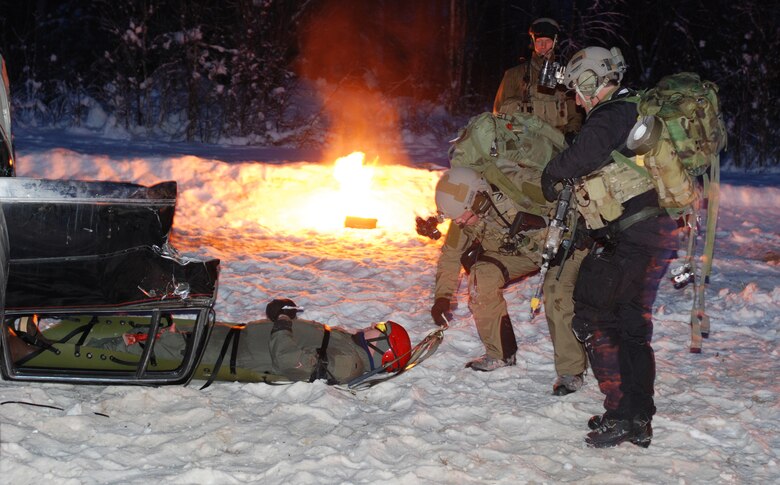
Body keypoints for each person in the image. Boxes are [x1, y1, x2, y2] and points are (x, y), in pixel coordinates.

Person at [540, 46, 676, 448]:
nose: (576, 100)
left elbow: (582, 156)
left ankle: (620, 413)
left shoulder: (612, 114)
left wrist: (552, 173)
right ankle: (637, 416)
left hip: (635, 237)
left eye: (578, 90)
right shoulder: (632, 110)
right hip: (651, 234)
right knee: (631, 325)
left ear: (591, 81)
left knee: (592, 314)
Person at [5, 299, 413, 387]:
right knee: (148, 324)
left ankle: (32, 352)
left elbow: (296, 365)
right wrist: (280, 317)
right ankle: (53, 332)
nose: (371, 331)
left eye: (379, 334)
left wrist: (282, 324)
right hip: (230, 339)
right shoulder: (347, 345)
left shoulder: (351, 364)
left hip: (224, 355)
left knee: (145, 347)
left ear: (383, 354)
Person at [430, 166, 551, 371]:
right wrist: (442, 297)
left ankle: (571, 371)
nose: (459, 222)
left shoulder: (519, 188)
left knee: (562, 299)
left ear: (478, 200)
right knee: (480, 279)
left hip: (556, 249)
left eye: (462, 216)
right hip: (516, 257)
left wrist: (543, 223)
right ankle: (501, 354)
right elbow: (451, 255)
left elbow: (568, 209)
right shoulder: (464, 214)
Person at [493, 17, 582, 141]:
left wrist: (570, 136)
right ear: (533, 42)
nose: (543, 45)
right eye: (539, 41)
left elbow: (575, 114)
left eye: (548, 41)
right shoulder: (514, 74)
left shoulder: (565, 77)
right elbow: (498, 112)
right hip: (523, 145)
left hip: (556, 144)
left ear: (555, 43)